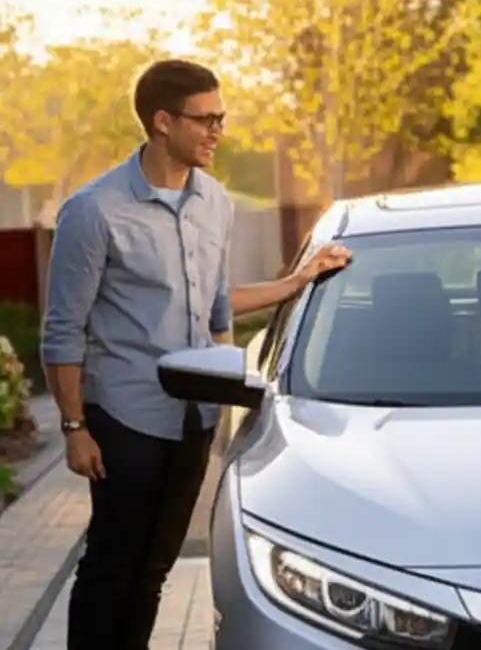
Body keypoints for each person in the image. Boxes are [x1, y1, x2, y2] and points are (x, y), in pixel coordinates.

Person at [39, 59, 350, 650]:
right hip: (125, 417)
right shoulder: (95, 211)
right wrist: (75, 426)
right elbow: (63, 330)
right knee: (112, 562)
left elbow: (215, 307)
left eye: (220, 118)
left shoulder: (215, 202)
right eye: (205, 119)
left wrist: (297, 281)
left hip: (194, 418)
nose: (217, 131)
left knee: (155, 568)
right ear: (162, 122)